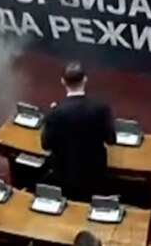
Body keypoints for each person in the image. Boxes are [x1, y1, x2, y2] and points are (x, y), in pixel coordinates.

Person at [41, 62, 116, 201]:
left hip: (64, 177)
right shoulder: (101, 109)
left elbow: (46, 144)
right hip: (95, 176)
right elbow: (111, 140)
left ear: (63, 82)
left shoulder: (55, 113)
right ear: (85, 79)